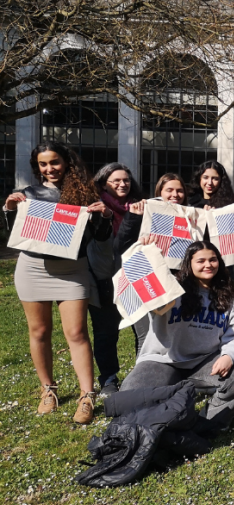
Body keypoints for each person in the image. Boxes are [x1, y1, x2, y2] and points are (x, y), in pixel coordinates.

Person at [4, 142, 113, 424]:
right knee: (39, 331)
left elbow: (100, 237)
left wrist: (106, 217)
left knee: (76, 332)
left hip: (72, 270)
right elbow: (18, 236)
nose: (49, 168)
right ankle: (48, 389)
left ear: (66, 162)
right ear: (37, 167)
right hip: (32, 268)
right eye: (43, 164)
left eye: (54, 162)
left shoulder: (86, 193)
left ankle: (87, 395)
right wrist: (10, 210)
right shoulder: (29, 194)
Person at [119, 241, 234, 431]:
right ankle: (161, 424)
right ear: (188, 264)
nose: (208, 265)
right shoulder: (170, 288)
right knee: (127, 398)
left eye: (213, 260)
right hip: (162, 361)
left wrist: (229, 356)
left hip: (204, 363)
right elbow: (145, 282)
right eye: (201, 261)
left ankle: (209, 423)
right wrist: (146, 253)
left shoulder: (228, 297)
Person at [114, 173, 193, 353]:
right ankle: (143, 370)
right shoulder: (143, 212)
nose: (175, 195)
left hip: (179, 281)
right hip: (146, 279)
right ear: (159, 192)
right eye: (169, 190)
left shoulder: (192, 216)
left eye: (180, 190)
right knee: (147, 336)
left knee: (176, 333)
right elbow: (120, 247)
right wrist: (133, 218)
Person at [88, 162, 143, 396]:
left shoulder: (141, 207)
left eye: (126, 180)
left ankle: (143, 375)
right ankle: (108, 380)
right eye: (116, 181)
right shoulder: (94, 207)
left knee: (143, 331)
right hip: (103, 278)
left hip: (136, 276)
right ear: (103, 184)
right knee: (106, 333)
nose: (123, 184)